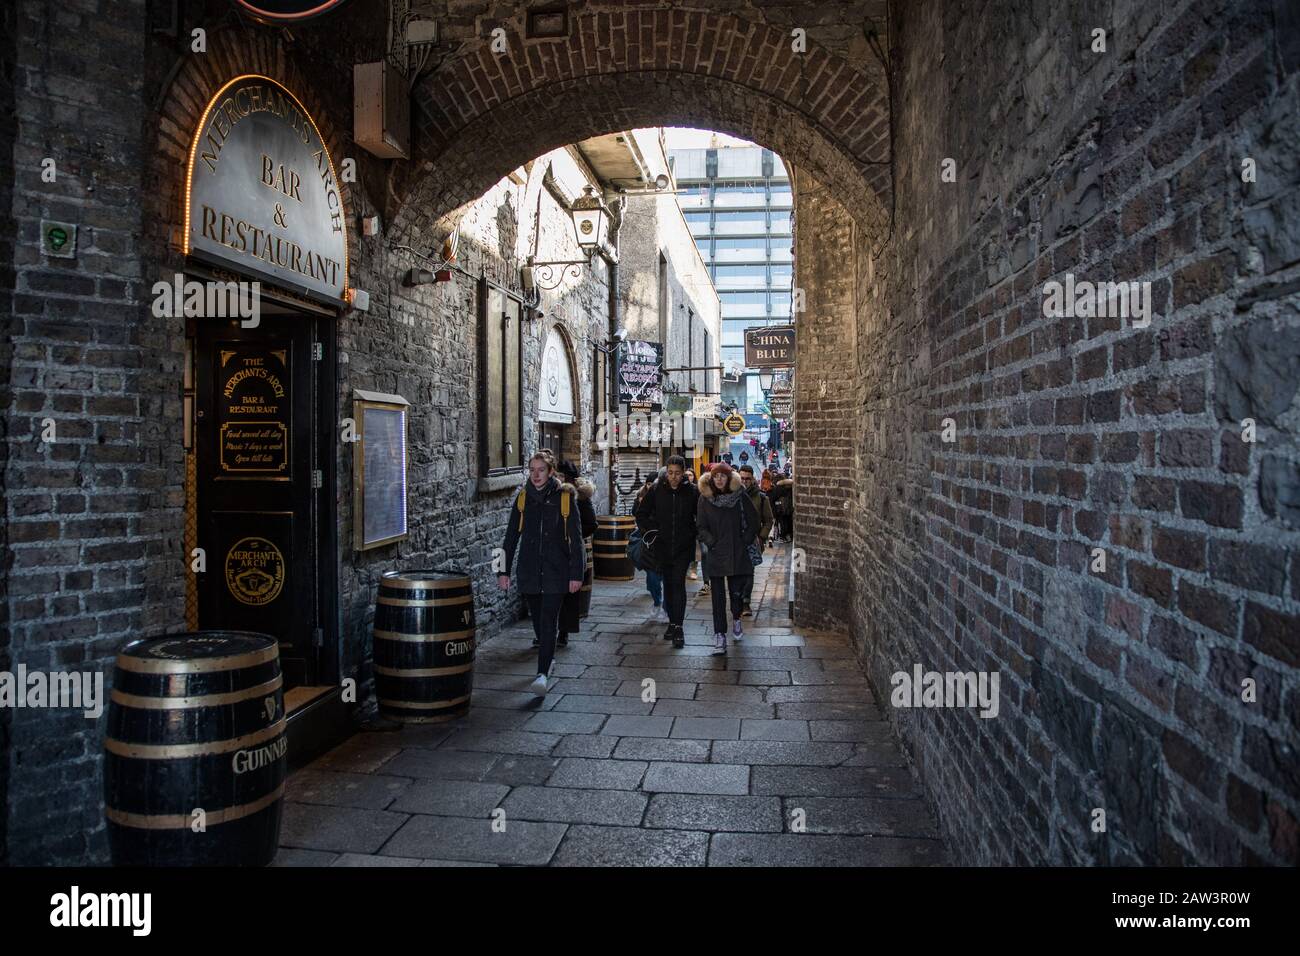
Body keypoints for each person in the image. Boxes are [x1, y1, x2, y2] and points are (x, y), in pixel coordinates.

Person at [498, 453, 585, 695]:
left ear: (551, 472)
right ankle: (548, 657)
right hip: (529, 571)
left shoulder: (565, 499)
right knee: (538, 622)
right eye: (532, 470)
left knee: (548, 622)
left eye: (541, 470)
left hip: (557, 572)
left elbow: (576, 542)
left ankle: (542, 674)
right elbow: (510, 537)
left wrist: (576, 574)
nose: (536, 475)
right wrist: (502, 571)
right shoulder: (523, 498)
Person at [634, 454, 698, 648]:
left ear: (684, 473)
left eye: (677, 473)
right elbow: (641, 514)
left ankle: (678, 627)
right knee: (669, 586)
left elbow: (700, 517)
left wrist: (692, 533)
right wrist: (653, 531)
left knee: (678, 585)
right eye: (670, 473)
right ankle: (672, 622)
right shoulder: (656, 490)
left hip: (682, 548)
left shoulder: (693, 492)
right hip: (661, 547)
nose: (673, 477)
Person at [696, 462, 759, 656]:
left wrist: (744, 540)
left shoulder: (740, 496)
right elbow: (701, 526)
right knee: (717, 598)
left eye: (723, 476)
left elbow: (754, 520)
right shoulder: (705, 499)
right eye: (716, 476)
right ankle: (719, 635)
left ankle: (737, 619)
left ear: (729, 478)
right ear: (711, 479)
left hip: (737, 552)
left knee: (736, 593)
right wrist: (711, 542)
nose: (720, 479)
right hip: (717, 553)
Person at [555, 460, 598, 647]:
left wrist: (574, 534)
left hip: (571, 551)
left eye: (561, 475)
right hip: (551, 551)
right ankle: (546, 632)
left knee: (569, 596)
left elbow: (592, 524)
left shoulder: (580, 498)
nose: (557, 478)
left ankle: (563, 633)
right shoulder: (550, 494)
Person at [737, 464, 773, 617]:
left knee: (749, 572)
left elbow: (768, 520)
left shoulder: (761, 497)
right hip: (735, 541)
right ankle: (737, 599)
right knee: (736, 572)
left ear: (752, 480)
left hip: (753, 541)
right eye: (742, 478)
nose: (744, 481)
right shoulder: (732, 494)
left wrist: (761, 537)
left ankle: (746, 602)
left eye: (747, 479)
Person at [635, 470, 666, 622]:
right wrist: (648, 531)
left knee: (671, 580)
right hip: (652, 544)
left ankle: (667, 608)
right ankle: (657, 601)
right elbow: (640, 515)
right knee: (653, 578)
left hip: (673, 544)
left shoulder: (683, 493)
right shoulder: (652, 493)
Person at [771, 473, 794, 541]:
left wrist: (775, 510)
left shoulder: (777, 489)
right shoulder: (790, 487)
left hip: (780, 509)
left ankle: (783, 536)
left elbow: (773, 499)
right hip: (788, 508)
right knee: (789, 522)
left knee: (782, 523)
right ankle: (789, 535)